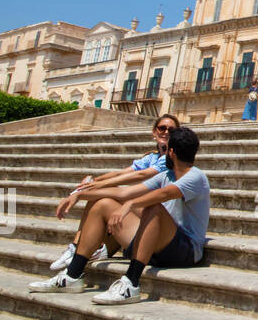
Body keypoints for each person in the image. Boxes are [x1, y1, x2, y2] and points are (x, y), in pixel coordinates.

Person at [28, 125, 211, 304]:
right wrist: (78, 195)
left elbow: (164, 194)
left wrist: (131, 204)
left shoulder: (196, 177)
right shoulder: (166, 176)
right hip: (156, 247)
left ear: (171, 152)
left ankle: (131, 284)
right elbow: (123, 193)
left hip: (185, 251)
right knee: (103, 205)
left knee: (153, 206)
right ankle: (72, 276)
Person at [46, 114, 178, 271]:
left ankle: (78, 248)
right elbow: (120, 174)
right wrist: (94, 181)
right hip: (142, 213)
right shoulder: (152, 157)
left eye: (171, 130)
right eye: (162, 128)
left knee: (106, 195)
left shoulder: (170, 159)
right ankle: (81, 248)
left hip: (159, 218)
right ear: (154, 132)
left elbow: (140, 175)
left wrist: (95, 187)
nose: (166, 132)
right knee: (102, 200)